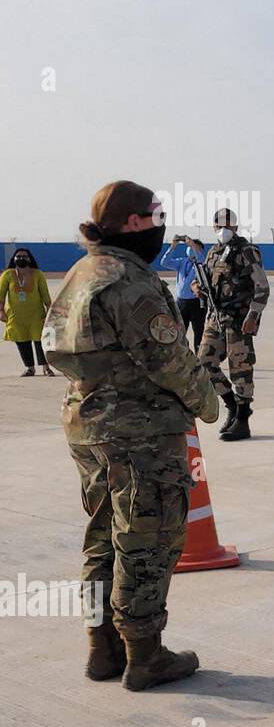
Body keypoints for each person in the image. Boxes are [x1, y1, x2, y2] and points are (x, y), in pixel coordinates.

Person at [44, 180, 219, 689]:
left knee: (102, 535)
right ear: (135, 222)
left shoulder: (82, 272)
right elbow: (169, 359)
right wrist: (207, 404)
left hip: (87, 422)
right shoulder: (129, 279)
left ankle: (103, 649)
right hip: (138, 430)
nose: (161, 224)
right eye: (156, 215)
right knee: (147, 537)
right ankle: (145, 655)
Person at [197, 208, 270, 441]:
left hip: (239, 320)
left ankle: (242, 420)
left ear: (236, 227)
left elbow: (262, 287)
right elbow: (211, 284)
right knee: (204, 363)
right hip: (215, 318)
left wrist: (253, 316)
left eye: (227, 225)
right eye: (218, 225)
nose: (222, 229)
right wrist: (198, 290)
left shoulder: (246, 251)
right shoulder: (213, 253)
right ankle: (232, 405)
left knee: (241, 369)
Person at [1, 248, 54, 376]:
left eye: (24, 256)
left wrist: (49, 310)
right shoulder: (7, 274)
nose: (21, 258)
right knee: (21, 341)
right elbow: (1, 295)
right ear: (13, 259)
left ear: (29, 259)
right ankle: (29, 368)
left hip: (36, 315)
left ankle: (46, 368)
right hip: (15, 316)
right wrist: (1, 311)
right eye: (18, 256)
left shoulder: (38, 274)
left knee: (41, 341)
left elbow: (45, 295)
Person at [159, 235, 207, 350]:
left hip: (197, 302)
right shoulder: (182, 262)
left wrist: (192, 244)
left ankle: (199, 357)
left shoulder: (201, 263)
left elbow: (200, 259)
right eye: (189, 246)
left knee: (198, 331)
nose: (191, 248)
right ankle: (182, 357)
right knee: (179, 332)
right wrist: (173, 247)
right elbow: (164, 263)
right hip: (181, 303)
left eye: (195, 247)